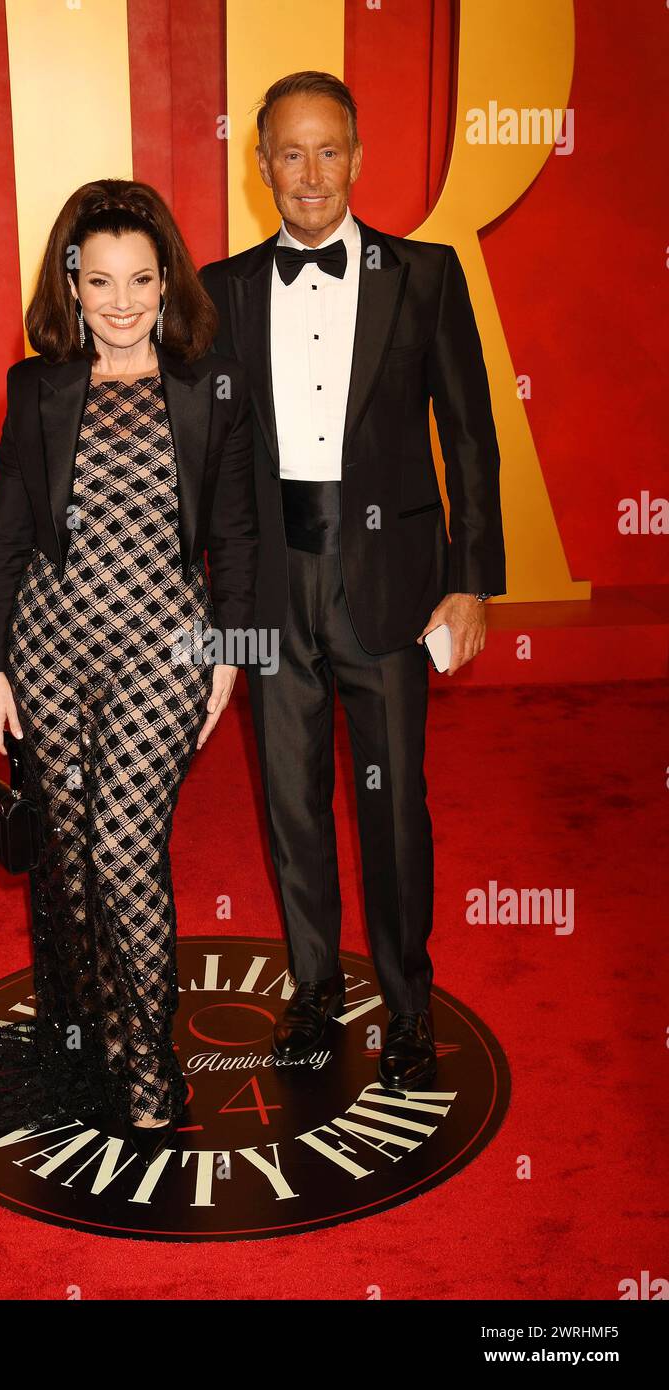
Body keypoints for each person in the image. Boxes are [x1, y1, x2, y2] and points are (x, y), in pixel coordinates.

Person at [0, 180, 257, 1165]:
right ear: (70, 282)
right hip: (50, 647)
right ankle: (94, 1043)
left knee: (121, 847)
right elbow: (8, 532)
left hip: (166, 645)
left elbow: (235, 541)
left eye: (140, 280)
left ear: (168, 284)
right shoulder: (38, 386)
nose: (120, 301)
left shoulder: (211, 385)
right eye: (99, 280)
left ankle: (150, 1071)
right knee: (67, 865)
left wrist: (229, 666)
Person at [199, 71, 506, 1089]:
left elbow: (469, 439)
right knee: (290, 801)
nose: (311, 173)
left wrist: (472, 581)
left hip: (392, 587)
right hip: (273, 592)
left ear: (359, 158)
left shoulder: (426, 274)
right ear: (261, 166)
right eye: (291, 152)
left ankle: (411, 1009)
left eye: (330, 150)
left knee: (394, 805)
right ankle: (316, 990)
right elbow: (207, 459)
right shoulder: (225, 290)